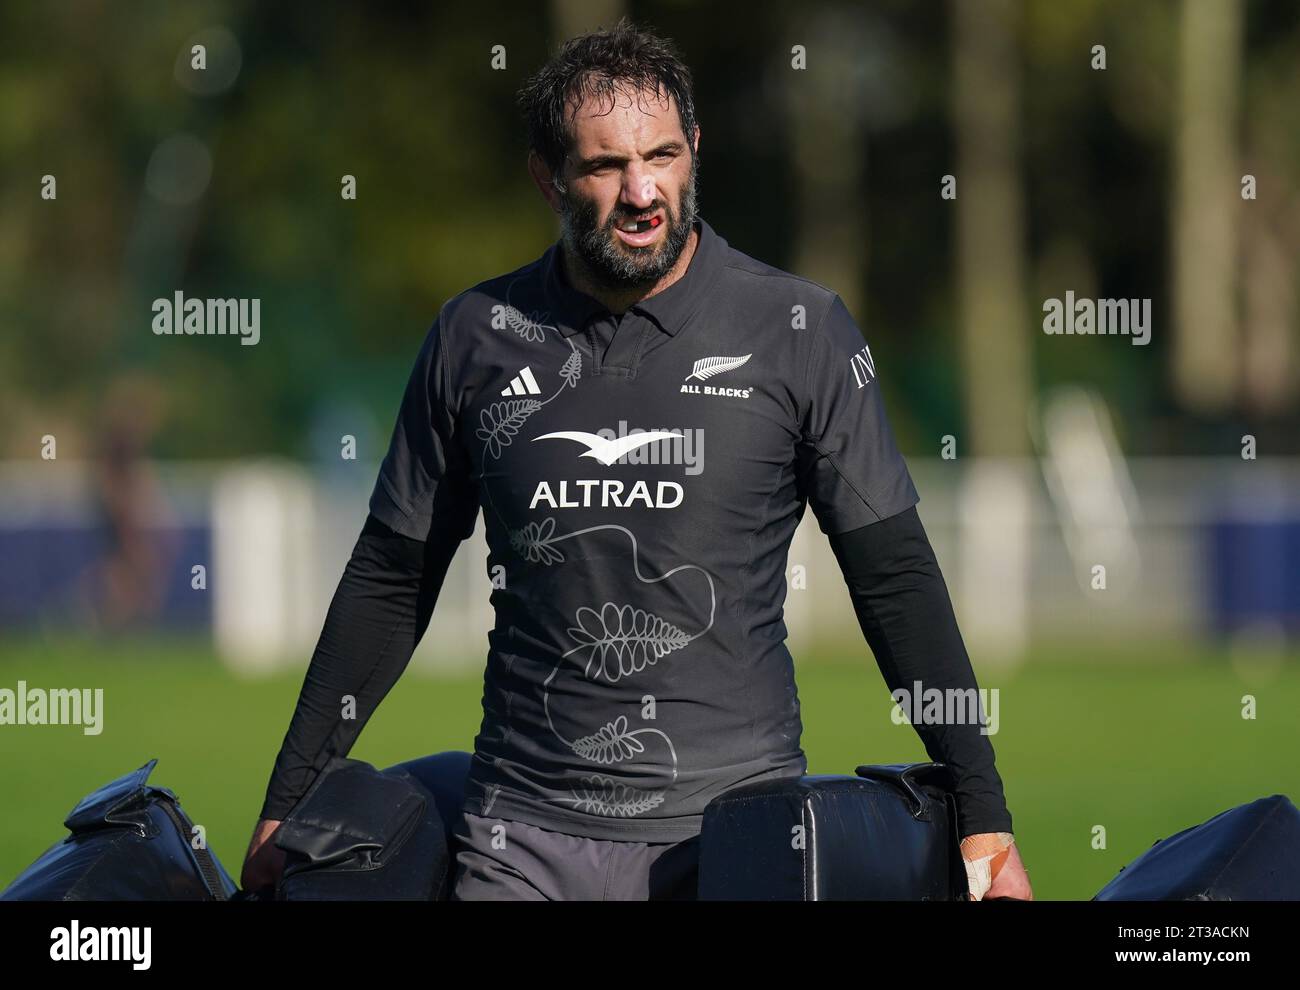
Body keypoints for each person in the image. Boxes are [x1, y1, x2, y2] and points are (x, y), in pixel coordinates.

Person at [241, 19, 1032, 902]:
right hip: (520, 840)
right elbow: (392, 580)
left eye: (662, 154)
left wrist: (982, 812)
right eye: (606, 166)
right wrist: (291, 797)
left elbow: (896, 580)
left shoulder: (798, 331)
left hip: (741, 839)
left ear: (697, 148)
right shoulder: (475, 337)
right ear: (549, 178)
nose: (643, 190)